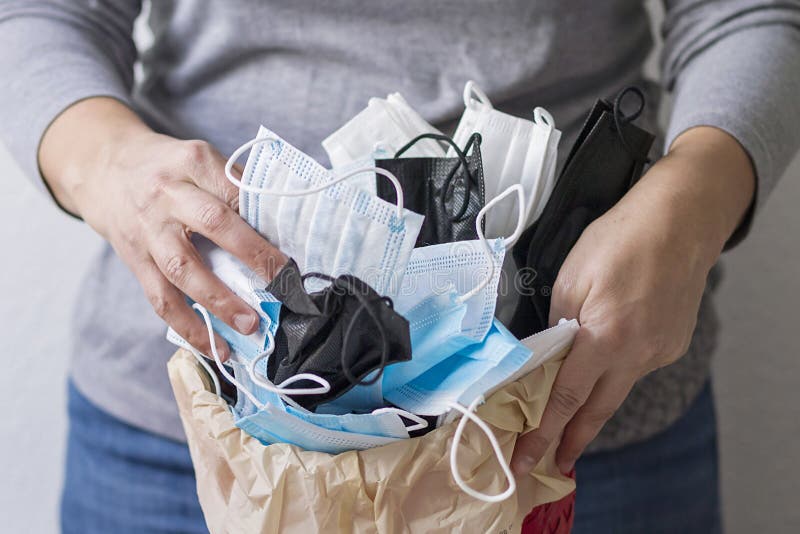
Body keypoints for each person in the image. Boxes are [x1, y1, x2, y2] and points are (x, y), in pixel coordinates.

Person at [1, 1, 798, 532]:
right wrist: (105, 164)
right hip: (196, 439)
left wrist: (692, 208)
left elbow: (750, 13)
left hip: (574, 420)